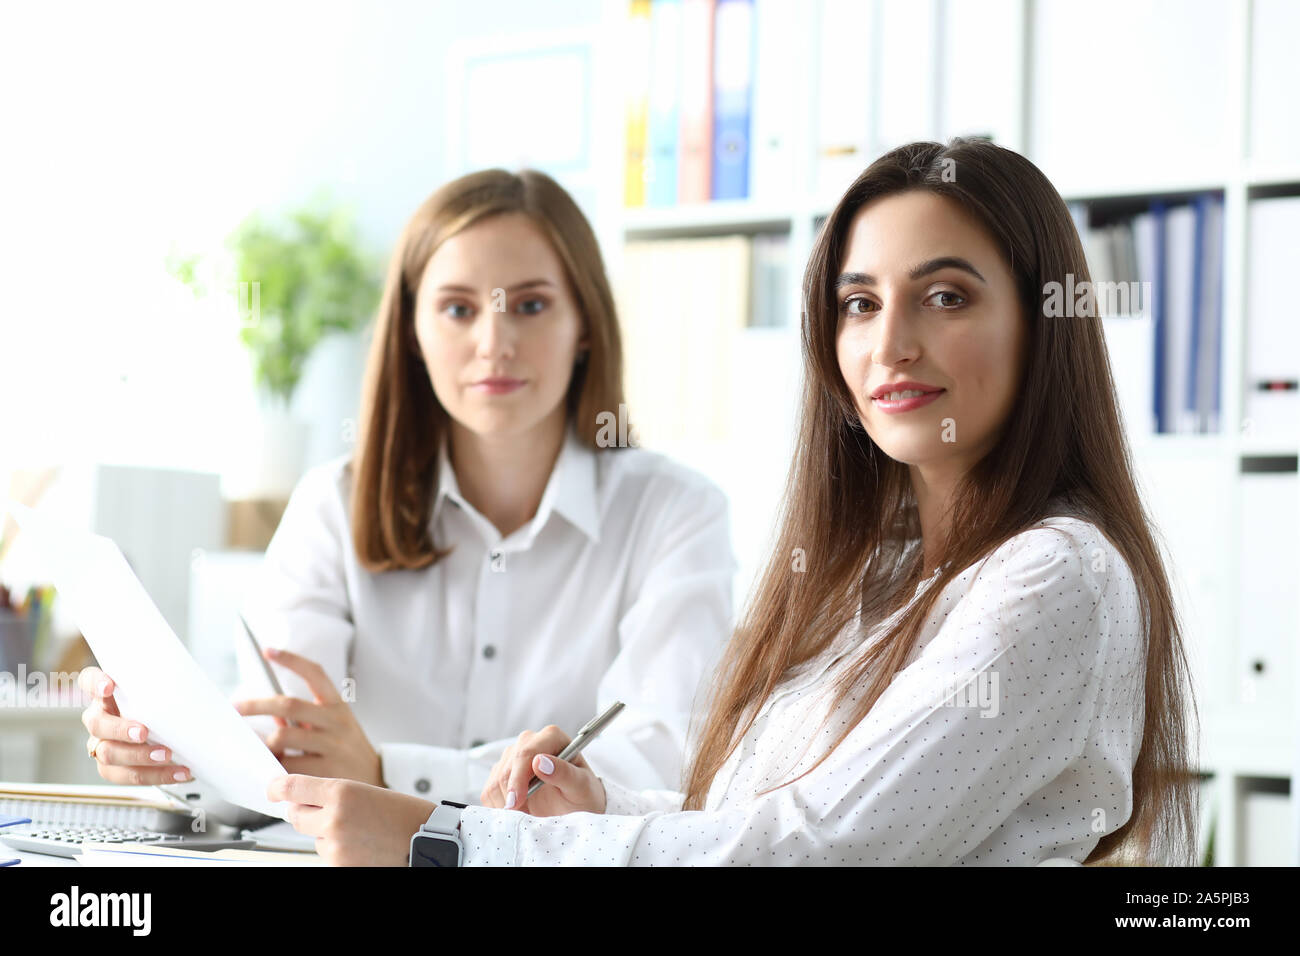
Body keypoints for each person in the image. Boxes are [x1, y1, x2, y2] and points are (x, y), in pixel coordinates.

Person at [270, 138, 1200, 866]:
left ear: (1045, 324)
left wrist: (446, 837)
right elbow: (742, 821)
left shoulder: (1053, 577)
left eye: (946, 297)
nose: (890, 346)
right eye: (859, 304)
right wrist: (597, 808)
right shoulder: (872, 572)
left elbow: (819, 850)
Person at [77, 168, 737, 803]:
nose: (494, 342)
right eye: (457, 308)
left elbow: (660, 757)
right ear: (414, 331)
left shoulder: (677, 514)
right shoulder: (333, 506)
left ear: (585, 323)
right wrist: (168, 745)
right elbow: (281, 742)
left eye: (531, 305)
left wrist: (389, 773)